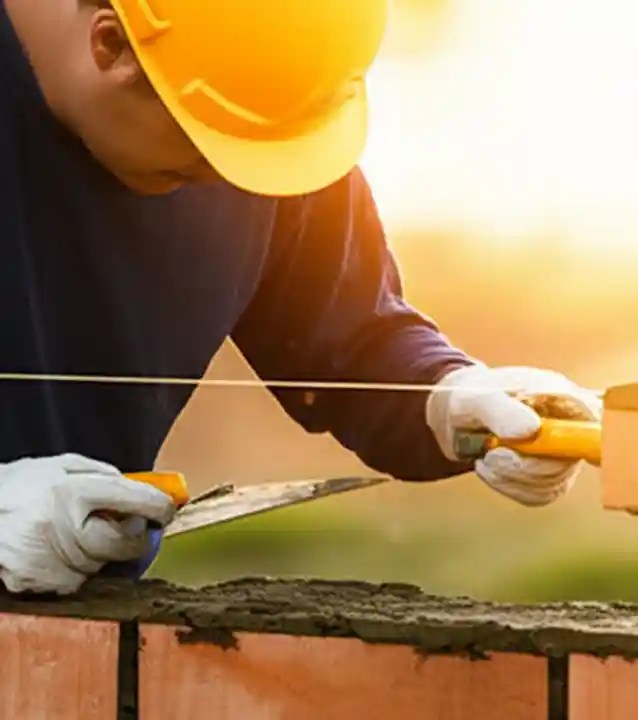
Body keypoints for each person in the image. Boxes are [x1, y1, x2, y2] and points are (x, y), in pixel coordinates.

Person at [0, 0, 601, 595]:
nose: (235, 180)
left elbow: (347, 336)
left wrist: (449, 396)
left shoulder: (261, 106)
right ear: (110, 47)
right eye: (212, 146)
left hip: (80, 649)